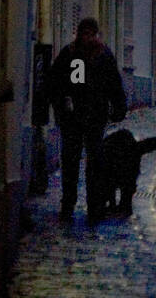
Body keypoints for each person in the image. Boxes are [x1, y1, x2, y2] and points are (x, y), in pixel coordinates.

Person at [48, 17, 127, 226]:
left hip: (94, 116)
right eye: (85, 34)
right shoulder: (73, 54)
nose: (88, 38)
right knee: (72, 161)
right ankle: (69, 204)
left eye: (91, 34)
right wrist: (63, 105)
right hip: (75, 117)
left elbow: (114, 84)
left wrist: (118, 106)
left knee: (94, 162)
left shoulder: (101, 55)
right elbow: (60, 83)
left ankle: (94, 205)